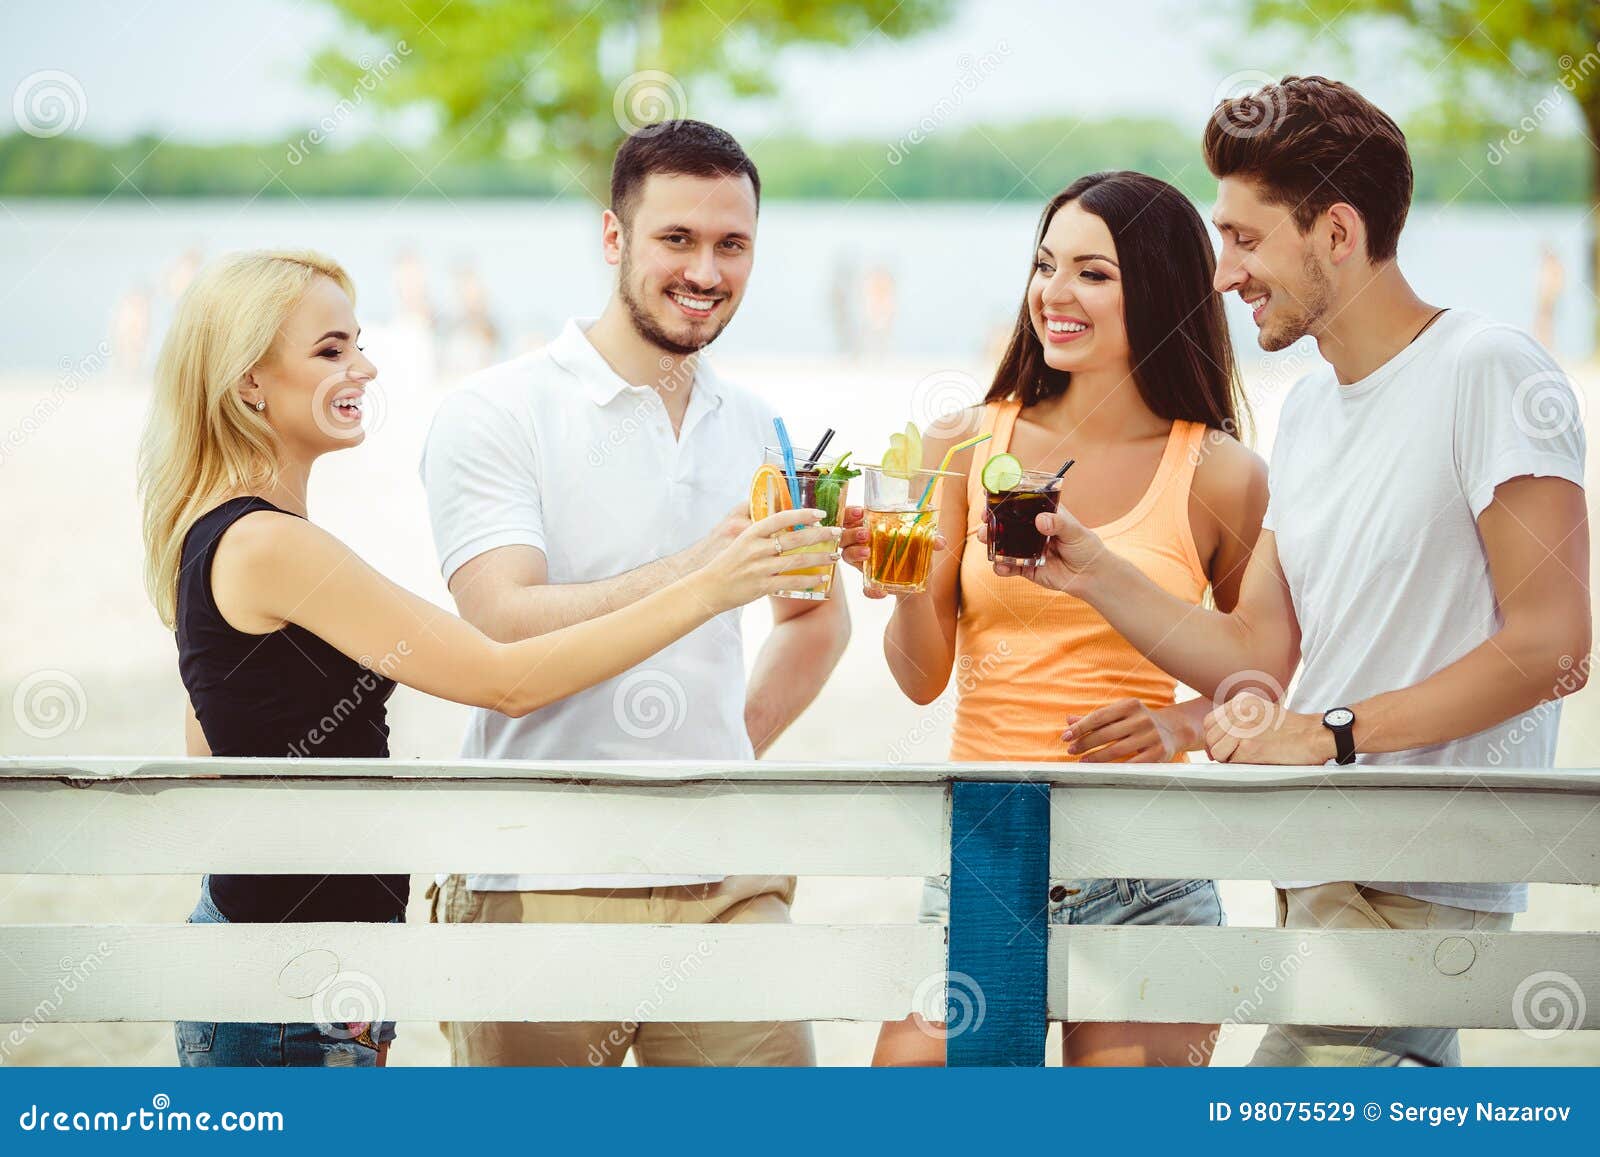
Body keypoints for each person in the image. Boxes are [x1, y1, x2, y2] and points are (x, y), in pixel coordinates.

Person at [1000, 77, 1590, 1066]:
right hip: (1315, 863)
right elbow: (1255, 650)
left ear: (1337, 232)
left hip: (1420, 877)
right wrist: (1093, 568)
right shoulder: (1312, 410)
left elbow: (1552, 643)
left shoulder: (1489, 370)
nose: (1222, 276)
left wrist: (1327, 732)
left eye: (1244, 240)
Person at [138, 248, 835, 1068]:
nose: (363, 364)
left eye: (357, 342)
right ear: (249, 381)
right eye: (329, 350)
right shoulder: (270, 545)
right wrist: (713, 585)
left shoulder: (223, 534)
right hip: (289, 978)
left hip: (299, 966)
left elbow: (209, 746)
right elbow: (506, 678)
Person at [420, 120, 852, 1067]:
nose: (707, 269)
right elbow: (501, 620)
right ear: (614, 238)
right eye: (678, 239)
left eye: (732, 244)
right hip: (538, 876)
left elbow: (815, 618)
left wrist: (731, 742)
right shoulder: (498, 411)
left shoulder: (757, 424)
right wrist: (705, 577)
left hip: (725, 879)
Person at [848, 171, 1268, 1067]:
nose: (1055, 294)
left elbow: (1262, 684)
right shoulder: (961, 444)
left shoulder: (1221, 472)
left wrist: (1178, 724)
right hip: (983, 854)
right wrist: (908, 585)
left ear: (1157, 288)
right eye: (1045, 265)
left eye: (1093, 273)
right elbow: (922, 677)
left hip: (1145, 870)